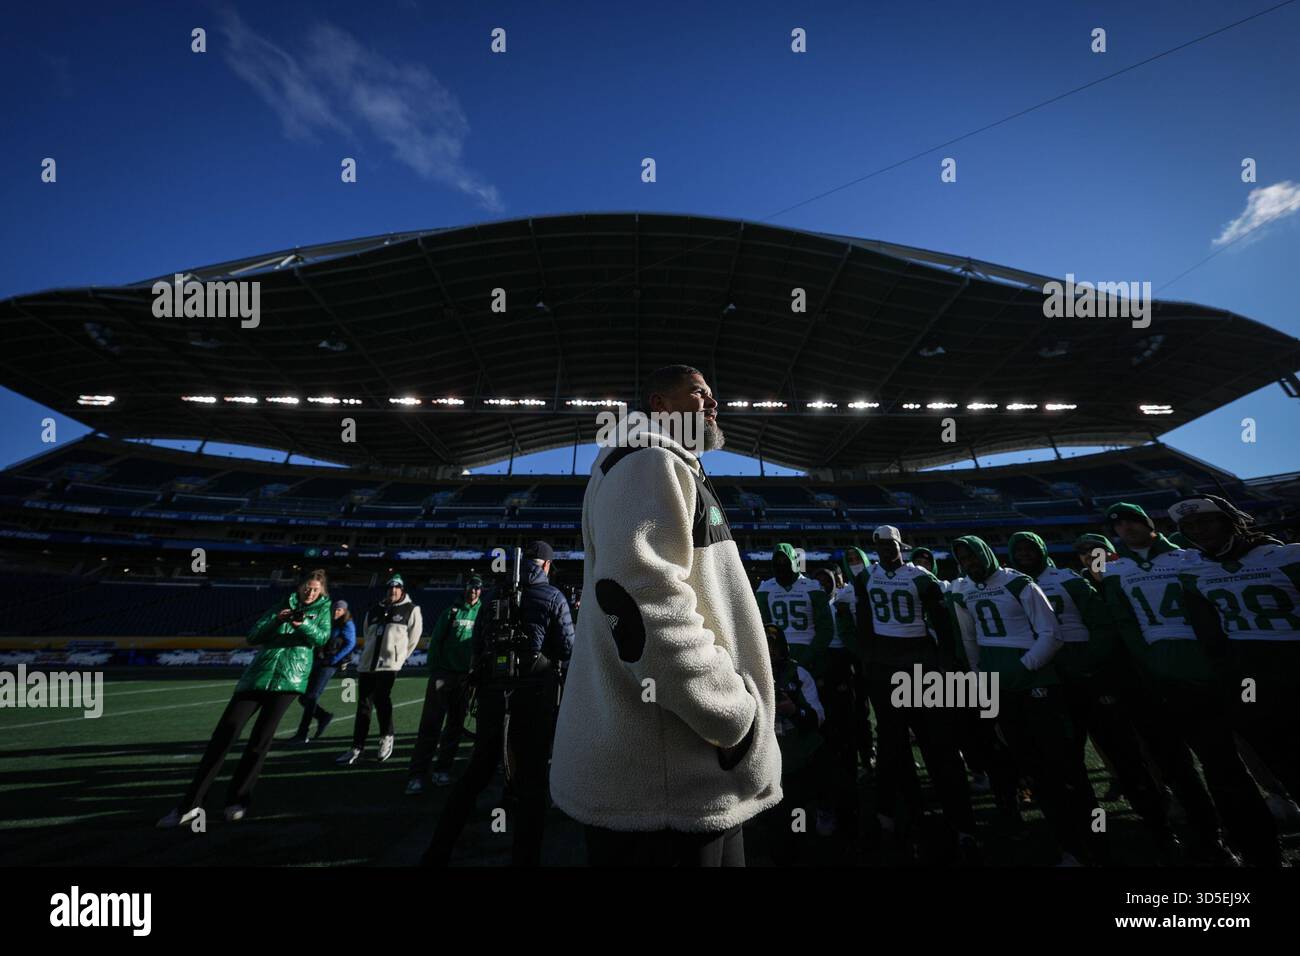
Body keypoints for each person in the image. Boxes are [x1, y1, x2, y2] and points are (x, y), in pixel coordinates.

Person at [548, 365, 781, 867]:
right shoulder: (647, 460)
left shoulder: (664, 462)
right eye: (698, 393)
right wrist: (730, 716)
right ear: (658, 403)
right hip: (669, 782)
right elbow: (639, 600)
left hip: (687, 776)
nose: (713, 403)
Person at [1098, 501, 1277, 865]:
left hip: (1211, 674)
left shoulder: (1189, 558)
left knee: (1229, 765)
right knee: (1182, 769)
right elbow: (1125, 623)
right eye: (1119, 526)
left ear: (1149, 521)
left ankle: (1259, 846)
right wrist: (1151, 662)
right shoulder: (1117, 571)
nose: (1127, 529)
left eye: (1133, 521)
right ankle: (1211, 841)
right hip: (1162, 680)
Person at [1006, 531, 1174, 854]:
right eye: (1019, 549)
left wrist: (1088, 663)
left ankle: (1158, 826)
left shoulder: (1066, 579)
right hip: (1051, 686)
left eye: (1030, 547)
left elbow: (1101, 624)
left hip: (1087, 680)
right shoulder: (1011, 586)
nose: (1025, 553)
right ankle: (1095, 831)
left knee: (1123, 756)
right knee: (1069, 765)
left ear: (1042, 549)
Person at [950, 536, 1101, 866]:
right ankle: (1066, 841)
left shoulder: (1019, 583)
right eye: (962, 559)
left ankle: (1091, 833)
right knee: (1032, 766)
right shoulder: (963, 592)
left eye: (972, 556)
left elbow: (1051, 633)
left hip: (1036, 683)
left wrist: (1024, 667)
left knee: (1062, 764)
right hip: (1000, 687)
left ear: (985, 553)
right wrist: (979, 676)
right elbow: (969, 638)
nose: (969, 563)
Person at [422, 542, 574, 866]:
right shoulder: (553, 596)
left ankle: (437, 852)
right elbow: (565, 648)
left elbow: (478, 645)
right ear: (546, 565)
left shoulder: (492, 594)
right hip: (534, 698)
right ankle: (525, 859)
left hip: (493, 695)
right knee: (531, 783)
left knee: (476, 773)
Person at [157, 569, 333, 827]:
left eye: (316, 589)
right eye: (307, 586)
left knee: (259, 742)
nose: (311, 591)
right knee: (224, 735)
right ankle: (190, 805)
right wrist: (277, 620)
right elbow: (253, 636)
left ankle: (237, 801)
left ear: (322, 592)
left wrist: (302, 622)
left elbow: (321, 638)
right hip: (257, 677)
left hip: (289, 681)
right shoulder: (280, 605)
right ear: (300, 587)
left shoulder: (323, 611)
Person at [1172, 495, 1300, 838]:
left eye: (1207, 522)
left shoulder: (1287, 556)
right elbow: (1209, 633)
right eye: (1190, 527)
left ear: (1231, 521)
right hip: (1249, 677)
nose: (1199, 532)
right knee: (1280, 758)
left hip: (1292, 663)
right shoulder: (1194, 571)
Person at [861, 526, 979, 862]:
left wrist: (943, 662)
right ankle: (909, 820)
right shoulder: (866, 578)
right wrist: (869, 659)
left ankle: (962, 825)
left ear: (901, 545)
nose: (885, 550)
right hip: (886, 667)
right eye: (880, 545)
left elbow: (942, 623)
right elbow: (863, 620)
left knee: (940, 747)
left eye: (890, 545)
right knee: (894, 750)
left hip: (921, 667)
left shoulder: (921, 577)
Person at [406, 576, 483, 793]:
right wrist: (436, 671)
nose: (474, 592)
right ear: (465, 589)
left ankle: (442, 770)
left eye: (478, 589)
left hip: (465, 678)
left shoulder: (483, 614)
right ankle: (417, 774)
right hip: (444, 675)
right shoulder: (451, 611)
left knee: (455, 727)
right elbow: (437, 641)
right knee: (430, 725)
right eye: (471, 587)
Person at [337, 574, 423, 766]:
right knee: (363, 706)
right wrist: (367, 655)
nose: (393, 590)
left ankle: (386, 737)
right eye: (390, 587)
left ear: (403, 590)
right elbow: (368, 634)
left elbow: (413, 639)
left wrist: (398, 658)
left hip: (389, 664)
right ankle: (357, 746)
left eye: (397, 587)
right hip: (367, 664)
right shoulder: (375, 609)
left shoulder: (411, 609)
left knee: (382, 700)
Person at [760, 622, 827, 864]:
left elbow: (817, 718)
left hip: (798, 757)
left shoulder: (798, 674)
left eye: (773, 646)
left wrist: (793, 710)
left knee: (799, 816)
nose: (769, 652)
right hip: (769, 760)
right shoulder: (751, 676)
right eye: (764, 646)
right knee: (774, 823)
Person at [758, 543, 835, 680]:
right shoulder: (765, 589)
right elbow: (762, 627)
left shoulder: (812, 587)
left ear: (793, 561)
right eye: (778, 561)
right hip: (778, 654)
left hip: (808, 649)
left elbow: (826, 629)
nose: (781, 565)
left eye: (785, 560)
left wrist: (809, 656)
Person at [290, 598, 355, 743]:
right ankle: (323, 716)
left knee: (311, 696)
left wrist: (334, 659)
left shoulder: (347, 623)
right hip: (319, 660)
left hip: (329, 663)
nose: (336, 612)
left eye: (340, 610)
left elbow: (351, 643)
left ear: (344, 611)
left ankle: (302, 733)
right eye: (335, 609)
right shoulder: (328, 620)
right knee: (303, 698)